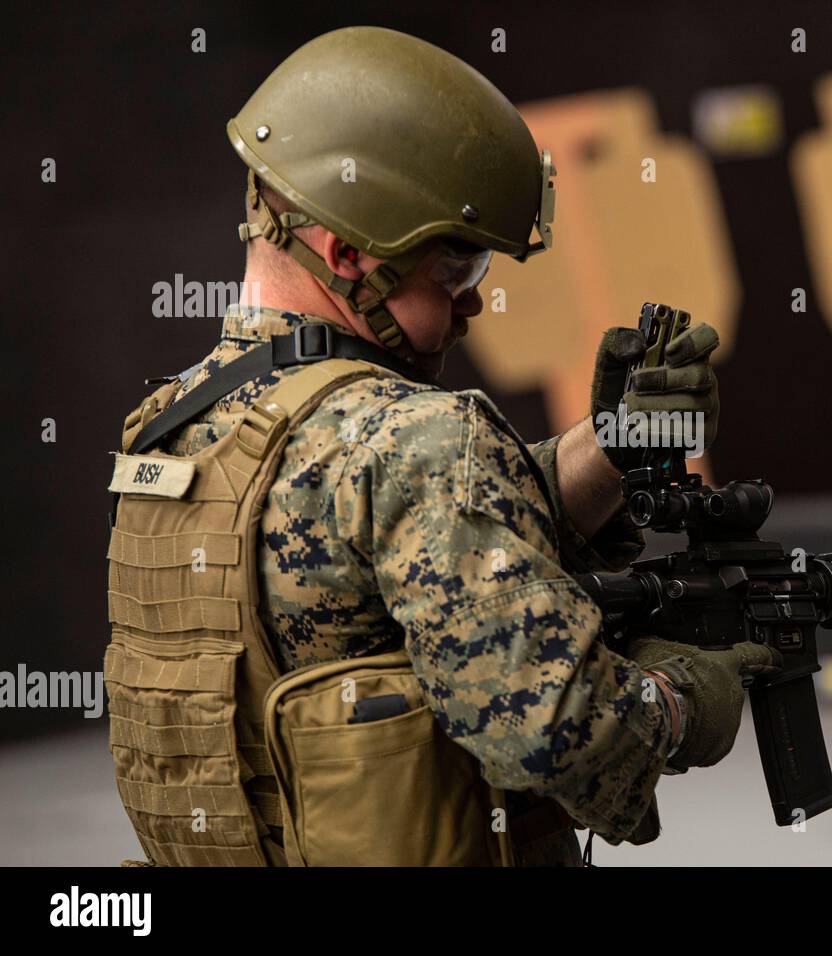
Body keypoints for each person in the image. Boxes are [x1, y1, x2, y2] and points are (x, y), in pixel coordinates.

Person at [103, 25, 777, 867]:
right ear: (349, 254)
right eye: (455, 273)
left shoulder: (172, 433)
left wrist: (612, 446)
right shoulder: (419, 440)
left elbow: (365, 560)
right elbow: (559, 733)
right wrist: (682, 700)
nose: (472, 307)